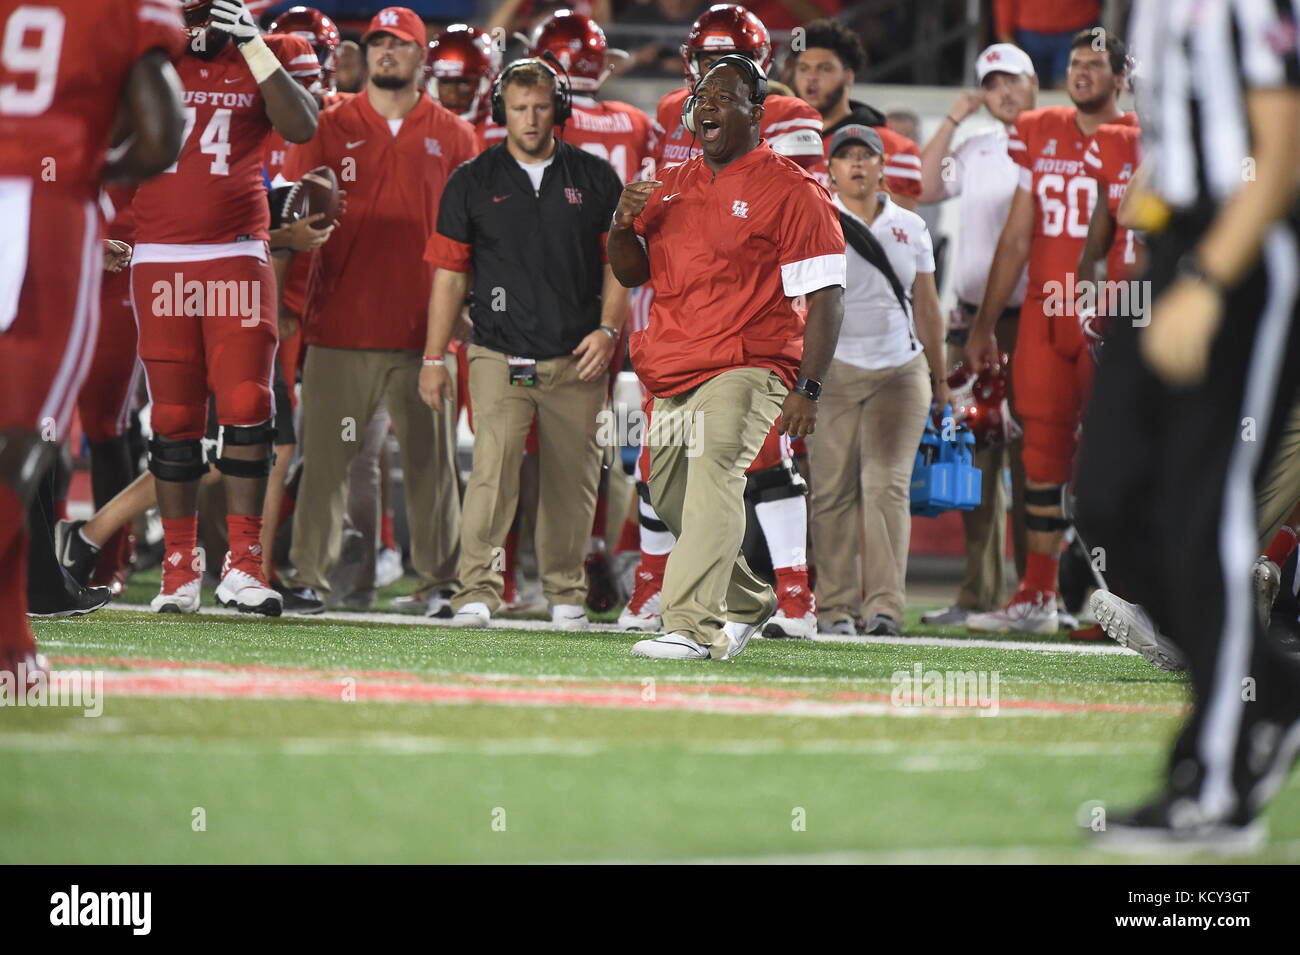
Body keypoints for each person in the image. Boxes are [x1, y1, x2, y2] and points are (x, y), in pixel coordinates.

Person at [1078, 0, 1300, 851]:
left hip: (1244, 251)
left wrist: (1207, 279)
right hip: (1173, 251)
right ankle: (1272, 687)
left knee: (1205, 512)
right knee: (1108, 501)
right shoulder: (1145, 10)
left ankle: (1211, 789)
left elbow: (1279, 153)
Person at [608, 55, 846, 660]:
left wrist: (809, 388)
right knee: (666, 493)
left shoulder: (793, 189)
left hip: (751, 360)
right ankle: (746, 599)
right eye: (701, 95)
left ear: (756, 115)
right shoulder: (670, 183)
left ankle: (691, 625)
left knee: (714, 468)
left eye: (724, 95)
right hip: (675, 362)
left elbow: (826, 297)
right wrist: (620, 225)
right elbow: (633, 271)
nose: (707, 104)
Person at [0, 0, 186, 678]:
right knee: (23, 439)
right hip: (47, 211)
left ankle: (13, 642)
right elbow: (163, 133)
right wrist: (85, 166)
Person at [280, 6, 477, 615]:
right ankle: (311, 575)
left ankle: (438, 581)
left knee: (431, 466)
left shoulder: (456, 136)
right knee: (328, 463)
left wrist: (461, 312)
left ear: (423, 57)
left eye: (399, 43)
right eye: (377, 43)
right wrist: (286, 307)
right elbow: (290, 221)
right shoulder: (324, 125)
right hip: (339, 323)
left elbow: (474, 237)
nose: (386, 52)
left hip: (424, 330)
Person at [128, 0, 318, 616]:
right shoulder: (151, 48)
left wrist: (256, 45)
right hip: (158, 252)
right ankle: (179, 568)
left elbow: (302, 126)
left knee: (246, 403)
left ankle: (244, 565)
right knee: (175, 413)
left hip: (235, 248)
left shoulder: (267, 50)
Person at [421, 58, 624, 630]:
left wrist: (609, 331)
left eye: (540, 107)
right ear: (500, 112)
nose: (531, 119)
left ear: (558, 109)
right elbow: (448, 275)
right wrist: (433, 357)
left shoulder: (596, 176)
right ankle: (477, 591)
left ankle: (564, 592)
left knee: (574, 480)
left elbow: (620, 265)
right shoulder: (471, 180)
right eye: (519, 108)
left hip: (576, 356)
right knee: (492, 469)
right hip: (497, 351)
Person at [963, 29, 1135, 635]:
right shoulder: (1041, 129)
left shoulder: (1140, 141)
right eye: (1075, 62)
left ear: (1121, 76)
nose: (1081, 71)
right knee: (1040, 452)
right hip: (1045, 305)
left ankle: (1112, 602)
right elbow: (1016, 236)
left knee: (1109, 461)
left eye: (1094, 63)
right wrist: (985, 324)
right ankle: (1037, 594)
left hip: (1118, 307)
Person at [916, 43, 1036, 626]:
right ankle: (978, 594)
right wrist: (955, 116)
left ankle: (1038, 593)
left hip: (1030, 322)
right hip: (969, 322)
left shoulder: (1055, 143)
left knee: (1036, 462)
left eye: (1012, 81)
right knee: (974, 458)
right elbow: (923, 184)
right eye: (993, 85)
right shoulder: (979, 145)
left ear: (1034, 84)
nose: (1004, 93)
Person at [809, 125, 946, 637]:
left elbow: (927, 305)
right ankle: (836, 608)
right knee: (830, 491)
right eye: (846, 157)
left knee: (885, 487)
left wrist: (941, 375)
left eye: (867, 156)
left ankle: (884, 608)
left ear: (883, 166)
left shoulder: (911, 226)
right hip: (835, 371)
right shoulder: (818, 220)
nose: (858, 165)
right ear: (831, 170)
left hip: (899, 370)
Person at [789, 18, 923, 209]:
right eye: (803, 69)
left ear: (848, 76)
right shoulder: (780, 140)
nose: (811, 78)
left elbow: (896, 232)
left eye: (824, 68)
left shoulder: (893, 149)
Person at [994, 0, 1100, 88]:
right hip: (1029, 35)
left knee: (1073, 89)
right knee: (1029, 88)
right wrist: (1004, 32)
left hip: (1077, 26)